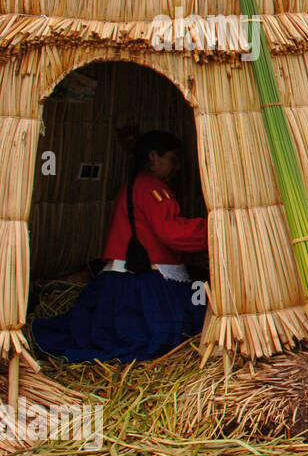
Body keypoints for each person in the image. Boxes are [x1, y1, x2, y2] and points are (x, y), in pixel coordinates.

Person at [33, 131, 209, 363]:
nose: (176, 168)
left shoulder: (134, 185)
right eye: (173, 159)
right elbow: (172, 233)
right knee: (168, 334)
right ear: (154, 157)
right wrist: (213, 229)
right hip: (143, 281)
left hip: (121, 276)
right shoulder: (152, 189)